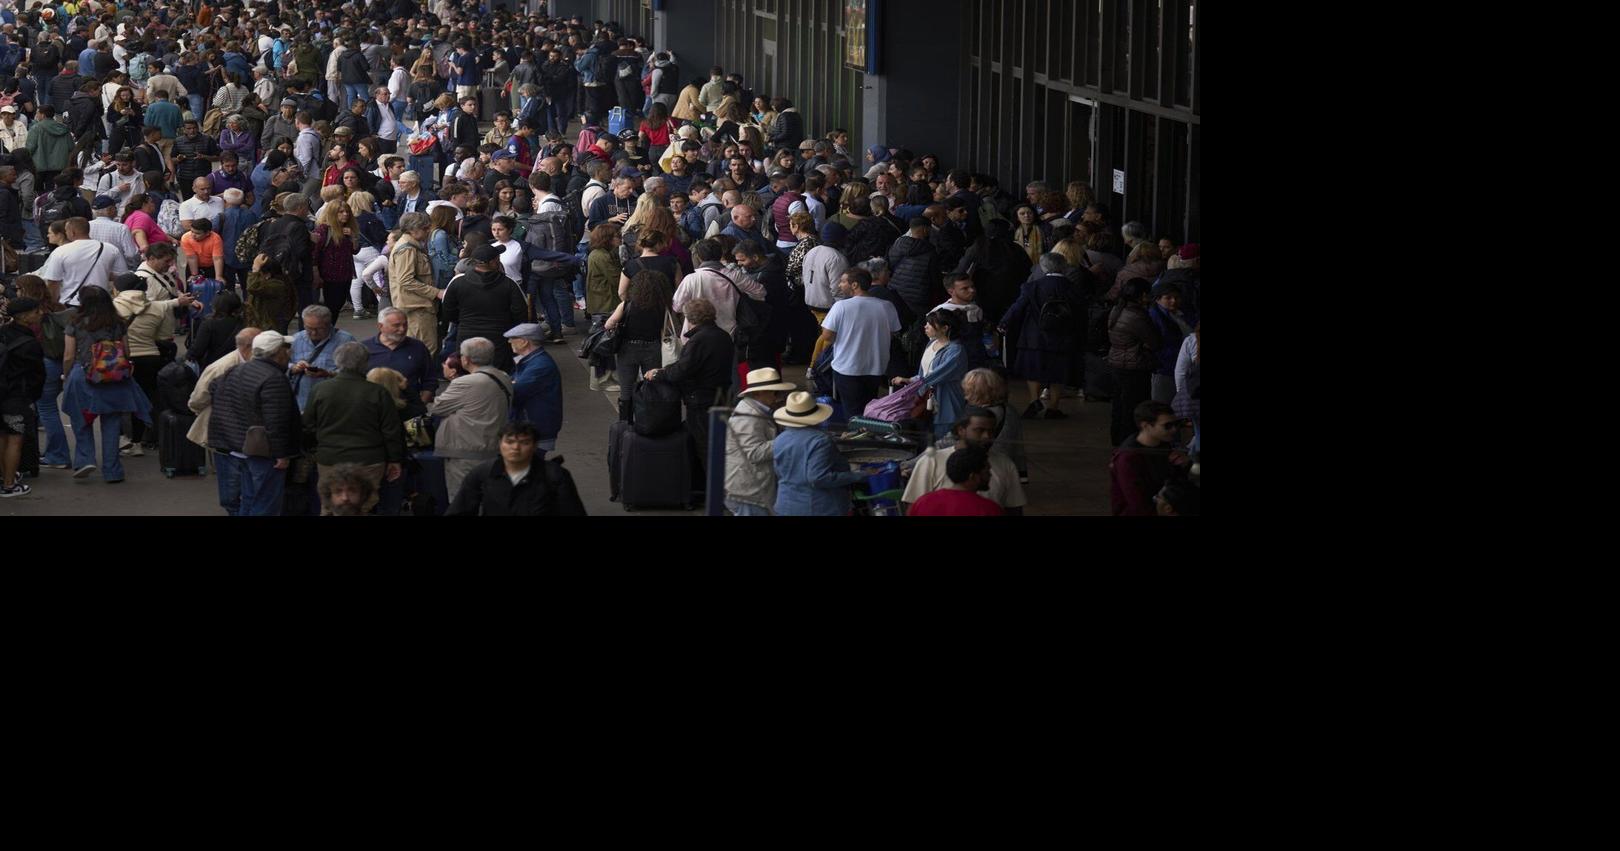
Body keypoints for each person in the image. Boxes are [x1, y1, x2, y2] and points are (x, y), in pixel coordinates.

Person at [303, 341, 405, 516]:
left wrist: (314, 449)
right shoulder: (378, 393)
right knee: (362, 505)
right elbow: (391, 430)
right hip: (369, 459)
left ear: (337, 361)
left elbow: (308, 426)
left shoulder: (321, 390)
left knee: (330, 506)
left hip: (329, 457)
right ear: (365, 362)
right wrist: (395, 459)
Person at [207, 329, 301, 516]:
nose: (289, 352)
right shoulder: (273, 378)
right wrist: (282, 455)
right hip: (264, 454)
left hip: (236, 448)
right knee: (265, 504)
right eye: (286, 348)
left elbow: (213, 387)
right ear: (277, 352)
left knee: (249, 500)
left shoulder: (235, 370)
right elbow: (277, 421)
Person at [643, 297, 733, 475]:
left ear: (690, 319)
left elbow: (681, 371)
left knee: (704, 445)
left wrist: (659, 373)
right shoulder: (723, 336)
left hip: (701, 399)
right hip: (722, 395)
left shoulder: (698, 341)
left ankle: (714, 491)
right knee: (716, 442)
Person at [1000, 253, 1089, 420]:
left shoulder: (1031, 287)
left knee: (1033, 371)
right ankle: (1053, 408)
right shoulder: (1072, 287)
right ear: (1064, 267)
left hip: (1034, 336)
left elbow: (1017, 307)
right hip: (1063, 336)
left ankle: (1034, 401)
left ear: (1043, 267)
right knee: (1059, 373)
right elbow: (1081, 313)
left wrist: (1004, 323)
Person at [429, 336, 514, 504]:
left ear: (466, 360)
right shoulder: (503, 376)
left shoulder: (466, 383)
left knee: (462, 500)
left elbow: (438, 407)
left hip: (465, 452)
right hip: (492, 448)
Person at [445, 420, 586, 516]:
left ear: (534, 446)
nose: (516, 448)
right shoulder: (483, 474)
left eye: (524, 442)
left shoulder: (554, 476)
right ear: (500, 444)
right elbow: (460, 510)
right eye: (510, 442)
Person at [901, 408, 1026, 515]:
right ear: (961, 430)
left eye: (991, 431)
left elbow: (1014, 509)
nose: (987, 436)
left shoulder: (1005, 464)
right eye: (979, 430)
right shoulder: (931, 461)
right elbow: (914, 506)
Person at [818, 267, 901, 422]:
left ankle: (856, 439)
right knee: (869, 407)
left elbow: (827, 336)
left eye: (843, 281)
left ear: (854, 285)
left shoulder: (841, 306)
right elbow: (891, 333)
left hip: (847, 367)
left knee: (852, 411)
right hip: (876, 367)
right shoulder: (886, 306)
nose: (839, 285)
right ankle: (869, 435)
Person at [771, 391, 866, 516]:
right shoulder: (820, 441)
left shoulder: (780, 439)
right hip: (817, 507)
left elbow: (780, 471)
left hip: (786, 504)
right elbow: (818, 478)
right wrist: (858, 475)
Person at [443, 243, 528, 372]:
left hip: (466, 339)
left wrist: (463, 322)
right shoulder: (509, 284)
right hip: (499, 341)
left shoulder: (457, 283)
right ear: (494, 262)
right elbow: (520, 314)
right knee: (498, 379)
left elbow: (448, 312)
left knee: (469, 378)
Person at [723, 367, 796, 516]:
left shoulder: (756, 409)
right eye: (774, 392)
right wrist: (789, 439)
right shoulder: (748, 417)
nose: (777, 396)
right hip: (747, 492)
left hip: (750, 489)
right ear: (758, 393)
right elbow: (754, 453)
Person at [890, 309, 970, 440]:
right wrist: (909, 380)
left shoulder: (956, 351)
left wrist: (914, 390)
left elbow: (935, 376)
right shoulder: (931, 343)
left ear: (944, 328)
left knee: (942, 442)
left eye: (930, 324)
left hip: (946, 404)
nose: (925, 326)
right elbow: (923, 374)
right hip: (928, 402)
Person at [1110, 400, 1191, 516]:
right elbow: (1138, 504)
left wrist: (1185, 465)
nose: (1174, 429)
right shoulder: (1128, 459)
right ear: (1146, 426)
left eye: (1176, 424)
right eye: (1167, 426)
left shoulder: (1161, 444)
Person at [1106, 278, 1161, 446]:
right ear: (1142, 295)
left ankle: (1117, 439)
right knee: (1133, 406)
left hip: (1116, 363)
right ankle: (1128, 441)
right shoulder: (1137, 315)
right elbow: (1155, 341)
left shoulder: (1117, 309)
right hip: (1134, 365)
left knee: (1119, 405)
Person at [0, 297, 46, 498]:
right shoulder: (30, 344)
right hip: (17, 397)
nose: (40, 314)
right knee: (15, 441)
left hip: (1, 394)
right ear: (25, 316)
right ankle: (9, 484)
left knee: (2, 438)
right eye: (36, 311)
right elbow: (38, 376)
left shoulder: (2, 334)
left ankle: (4, 477)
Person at [41, 216, 128, 307]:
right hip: (101, 303)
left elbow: (53, 282)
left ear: (72, 232)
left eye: (66, 231)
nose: (66, 234)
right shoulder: (110, 249)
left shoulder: (60, 251)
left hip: (71, 303)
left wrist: (53, 304)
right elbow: (122, 276)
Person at [364, 308, 436, 409]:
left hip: (409, 408)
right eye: (396, 325)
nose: (402, 329)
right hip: (373, 410)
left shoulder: (418, 347)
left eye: (405, 324)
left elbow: (430, 379)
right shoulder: (365, 348)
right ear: (380, 326)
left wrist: (421, 404)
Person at [287, 304, 355, 412]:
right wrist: (294, 368)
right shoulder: (296, 339)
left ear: (329, 324)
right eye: (309, 328)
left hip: (332, 404)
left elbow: (355, 372)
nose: (313, 333)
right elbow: (282, 365)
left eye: (319, 329)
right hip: (301, 403)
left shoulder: (345, 341)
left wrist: (328, 374)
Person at [389, 211, 440, 352]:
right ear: (413, 229)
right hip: (417, 307)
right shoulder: (407, 249)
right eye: (425, 228)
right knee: (426, 349)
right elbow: (406, 280)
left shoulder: (410, 245)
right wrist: (436, 293)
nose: (428, 231)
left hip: (415, 305)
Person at [906, 444, 1004, 517]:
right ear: (973, 476)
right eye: (987, 471)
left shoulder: (923, 502)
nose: (990, 475)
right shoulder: (989, 509)